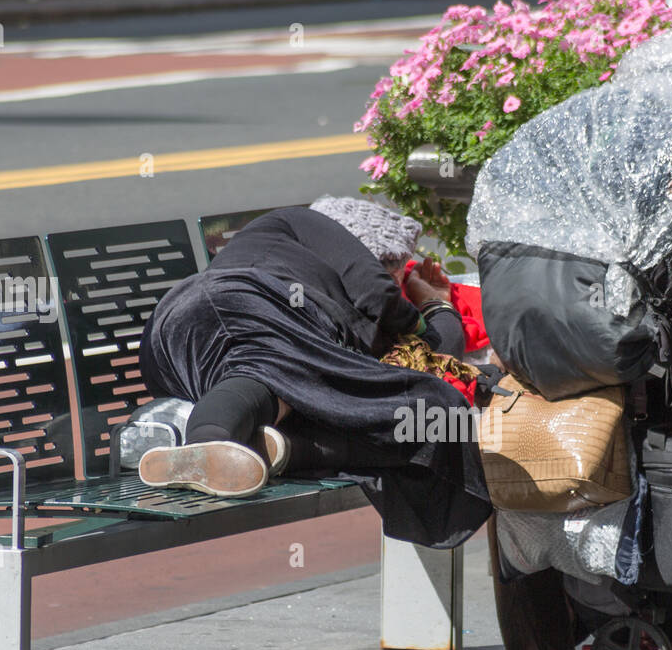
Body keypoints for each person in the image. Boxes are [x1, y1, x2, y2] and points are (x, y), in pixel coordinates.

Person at [136, 196, 492, 549]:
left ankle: (275, 448)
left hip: (168, 343)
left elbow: (430, 358)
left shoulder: (320, 309)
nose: (397, 277)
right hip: (250, 303)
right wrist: (423, 308)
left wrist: (432, 302)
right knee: (432, 410)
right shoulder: (296, 222)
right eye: (395, 269)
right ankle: (207, 442)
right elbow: (379, 295)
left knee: (287, 389)